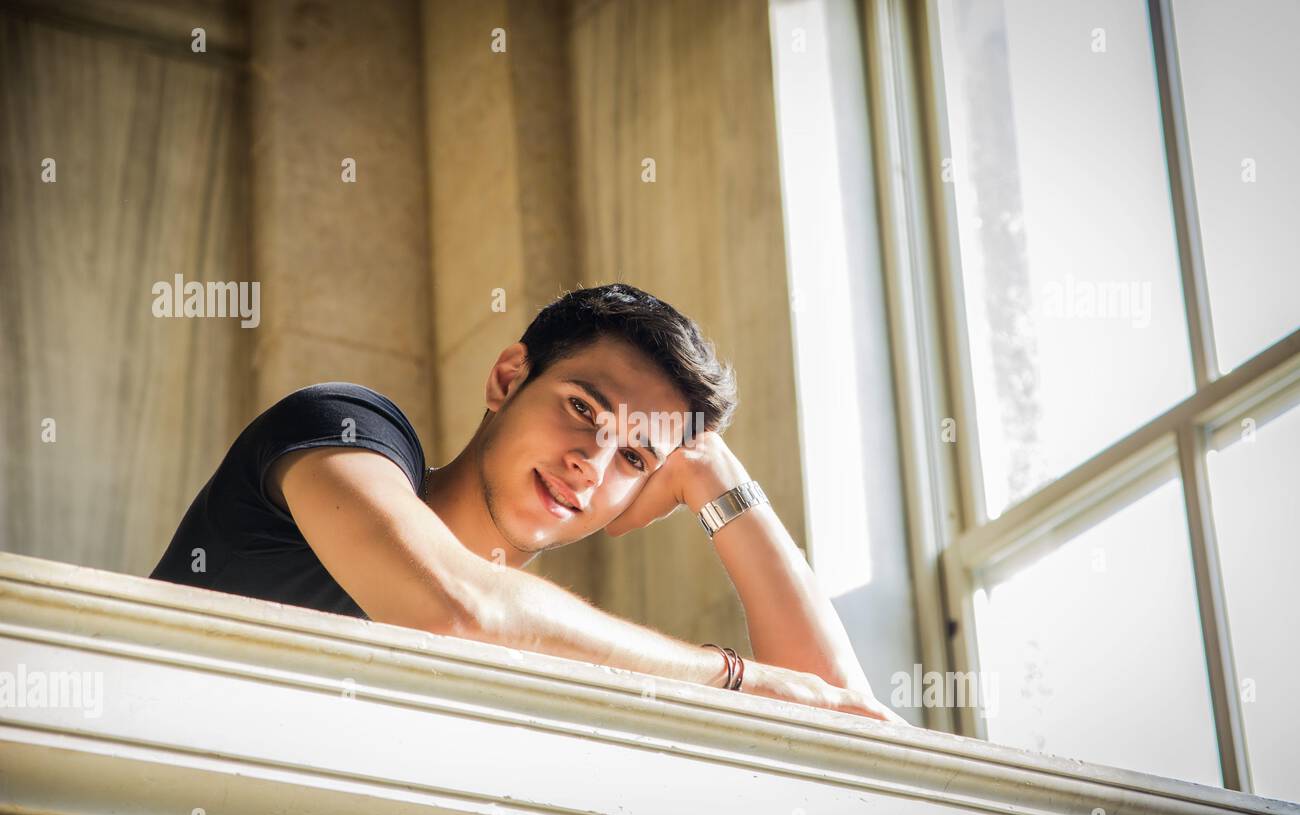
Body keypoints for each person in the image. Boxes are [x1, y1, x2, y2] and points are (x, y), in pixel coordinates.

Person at [151, 283, 907, 724]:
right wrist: (733, 676)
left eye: (634, 457)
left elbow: (845, 722)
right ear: (509, 377)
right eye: (584, 409)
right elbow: (462, 609)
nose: (592, 461)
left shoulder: (546, 654)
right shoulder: (346, 428)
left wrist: (716, 479)